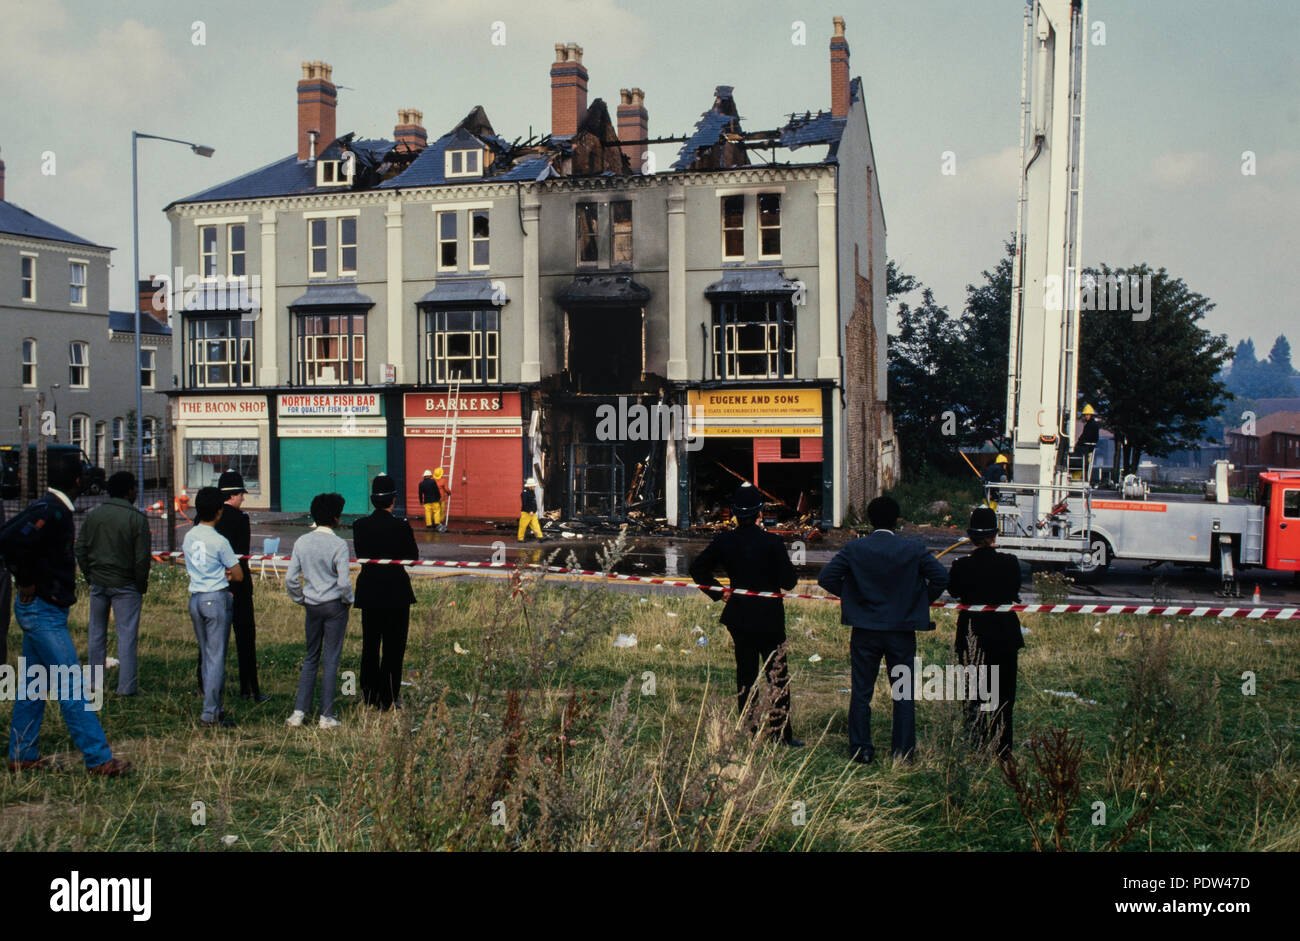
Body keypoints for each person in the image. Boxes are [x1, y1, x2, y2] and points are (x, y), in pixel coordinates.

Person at [0, 452, 130, 775]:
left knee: (33, 684)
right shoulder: (54, 511)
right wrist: (26, 579)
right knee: (70, 684)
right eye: (83, 476)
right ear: (76, 481)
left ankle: (22, 752)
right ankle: (98, 758)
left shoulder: (47, 506)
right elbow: (9, 541)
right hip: (43, 612)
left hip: (42, 611)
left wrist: (25, 577)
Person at [817, 495, 948, 764]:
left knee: (861, 690)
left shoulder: (855, 548)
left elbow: (826, 577)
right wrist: (918, 601)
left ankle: (861, 748)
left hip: (865, 628)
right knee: (902, 692)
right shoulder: (913, 548)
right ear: (897, 520)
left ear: (869, 519)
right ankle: (902, 752)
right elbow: (940, 577)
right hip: (901, 629)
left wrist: (853, 599)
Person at [689, 483, 801, 745]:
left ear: (736, 513)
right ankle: (780, 734)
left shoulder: (724, 541)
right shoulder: (772, 542)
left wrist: (719, 591)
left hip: (739, 616)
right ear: (760, 512)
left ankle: (749, 730)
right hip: (769, 618)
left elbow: (697, 568)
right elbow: (790, 582)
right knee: (777, 674)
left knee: (746, 675)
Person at [946, 506, 1023, 759]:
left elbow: (955, 592)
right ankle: (1003, 749)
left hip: (972, 635)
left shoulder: (961, 565)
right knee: (1004, 697)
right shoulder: (1010, 563)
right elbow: (1013, 592)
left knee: (974, 696)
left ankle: (976, 746)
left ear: (970, 535)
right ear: (995, 535)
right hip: (1004, 636)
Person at [75, 471, 151, 696]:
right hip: (126, 584)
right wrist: (140, 584)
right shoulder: (137, 518)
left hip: (99, 581)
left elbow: (81, 549)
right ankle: (126, 688)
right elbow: (141, 558)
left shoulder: (94, 515)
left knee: (96, 633)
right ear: (129, 491)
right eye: (134, 488)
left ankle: (94, 684)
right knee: (126, 636)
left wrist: (90, 575)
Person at [285, 493, 353, 729]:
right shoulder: (339, 545)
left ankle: (299, 712)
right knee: (331, 658)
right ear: (336, 518)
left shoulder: (302, 542)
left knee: (310, 657)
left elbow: (291, 578)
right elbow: (344, 583)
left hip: (311, 604)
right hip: (334, 605)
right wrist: (348, 600)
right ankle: (326, 715)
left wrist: (300, 598)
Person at [353, 474, 418, 710]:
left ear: (373, 501)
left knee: (370, 645)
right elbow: (412, 558)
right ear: (393, 500)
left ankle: (369, 694)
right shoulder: (401, 526)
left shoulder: (360, 526)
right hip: (396, 592)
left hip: (370, 590)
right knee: (394, 647)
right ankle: (389, 696)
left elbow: (362, 555)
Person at [184, 486, 242, 728]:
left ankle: (213, 707)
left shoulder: (189, 536)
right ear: (219, 512)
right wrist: (226, 575)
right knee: (216, 657)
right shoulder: (219, 541)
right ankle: (210, 713)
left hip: (195, 597)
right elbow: (238, 575)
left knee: (207, 654)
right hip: (215, 598)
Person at [214, 470, 264, 702]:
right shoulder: (240, 519)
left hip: (213, 585)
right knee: (245, 638)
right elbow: (241, 555)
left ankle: (205, 685)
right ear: (233, 496)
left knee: (211, 640)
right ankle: (249, 688)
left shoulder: (207, 518)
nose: (243, 498)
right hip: (238, 584)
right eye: (241, 494)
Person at [1073, 404, 1100, 483]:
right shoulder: (1091, 424)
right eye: (1086, 415)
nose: (1086, 416)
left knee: (1080, 462)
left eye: (1088, 415)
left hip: (1086, 448)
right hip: (1087, 447)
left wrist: (1079, 443)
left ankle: (1077, 477)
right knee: (1082, 463)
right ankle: (1078, 477)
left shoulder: (1091, 425)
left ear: (1091, 415)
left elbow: (1086, 436)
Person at [517, 477, 543, 542]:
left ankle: (540, 537)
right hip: (526, 513)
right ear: (530, 486)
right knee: (523, 526)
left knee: (535, 525)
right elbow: (525, 504)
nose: (534, 487)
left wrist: (534, 510)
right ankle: (520, 538)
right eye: (533, 486)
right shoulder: (524, 494)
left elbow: (533, 502)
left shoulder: (532, 492)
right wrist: (529, 511)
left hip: (532, 512)